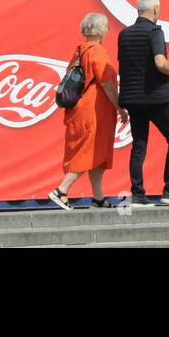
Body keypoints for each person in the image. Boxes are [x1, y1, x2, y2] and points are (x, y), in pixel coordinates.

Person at [117, 0, 169, 207]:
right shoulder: (154, 32)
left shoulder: (124, 35)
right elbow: (161, 62)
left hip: (132, 99)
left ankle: (138, 195)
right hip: (155, 97)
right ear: (155, 10)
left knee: (139, 146)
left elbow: (124, 67)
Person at [48, 12, 127, 210]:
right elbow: (107, 83)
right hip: (93, 112)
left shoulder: (80, 50)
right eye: (107, 27)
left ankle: (98, 198)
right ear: (101, 30)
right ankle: (61, 190)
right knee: (88, 152)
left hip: (81, 110)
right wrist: (121, 108)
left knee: (97, 155)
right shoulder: (97, 51)